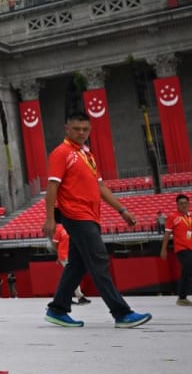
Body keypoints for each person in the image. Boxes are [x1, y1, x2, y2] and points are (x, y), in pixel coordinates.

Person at [43, 111, 151, 328]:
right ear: (67, 129)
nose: (81, 133)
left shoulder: (87, 155)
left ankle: (57, 309)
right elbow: (52, 186)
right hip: (76, 215)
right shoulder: (61, 153)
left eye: (85, 129)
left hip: (91, 215)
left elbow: (100, 186)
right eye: (76, 129)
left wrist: (122, 210)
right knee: (99, 261)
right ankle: (121, 313)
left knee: (77, 264)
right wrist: (49, 219)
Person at [159, 194, 192, 306]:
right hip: (181, 249)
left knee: (186, 272)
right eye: (181, 203)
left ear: (189, 204)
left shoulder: (190, 216)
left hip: (191, 247)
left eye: (185, 203)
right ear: (177, 205)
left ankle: (182, 298)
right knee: (189, 269)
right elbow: (167, 234)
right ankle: (182, 297)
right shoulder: (172, 217)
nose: (184, 205)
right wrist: (163, 250)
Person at [52, 223, 89, 304]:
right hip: (64, 255)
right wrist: (59, 254)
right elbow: (54, 243)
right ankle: (79, 297)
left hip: (70, 255)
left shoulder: (70, 227)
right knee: (72, 276)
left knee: (69, 277)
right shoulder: (59, 229)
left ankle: (66, 298)